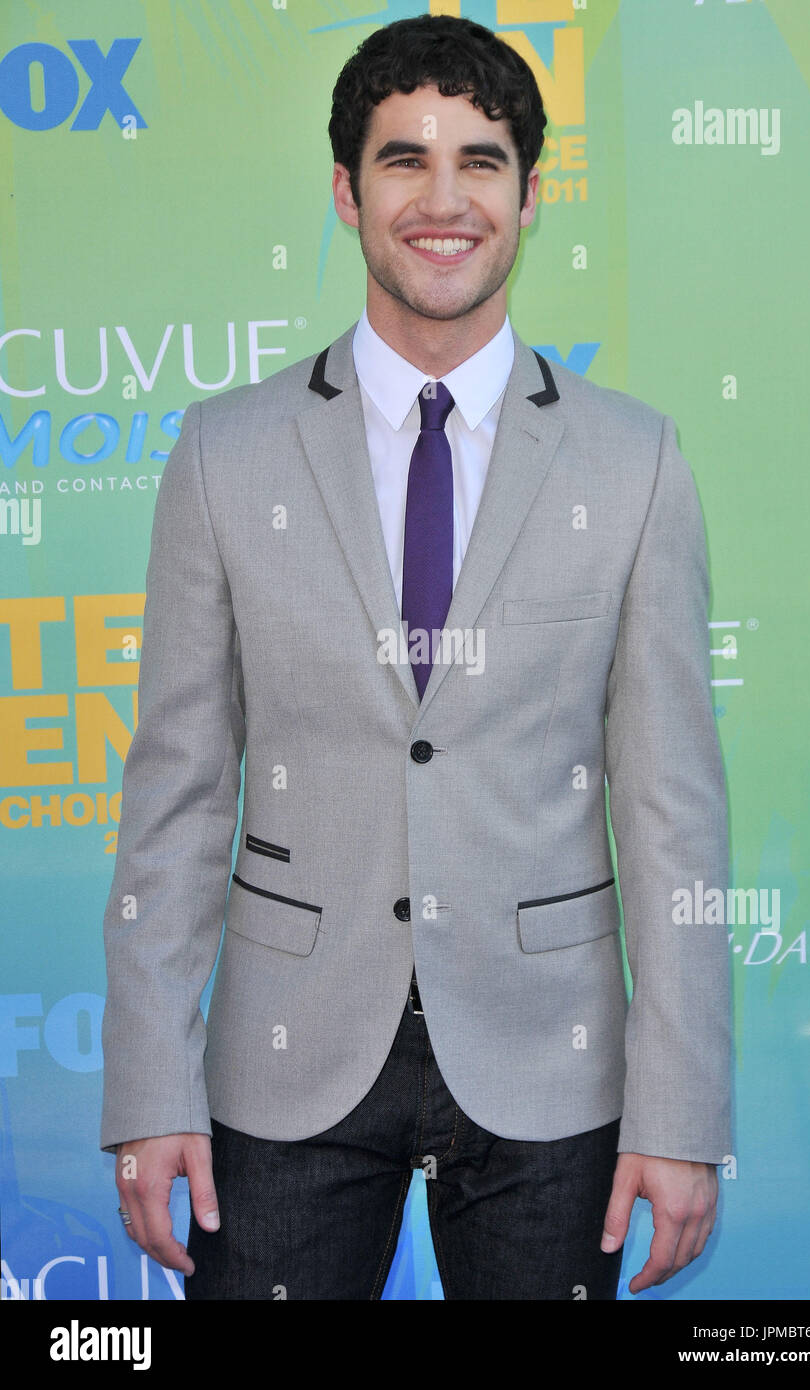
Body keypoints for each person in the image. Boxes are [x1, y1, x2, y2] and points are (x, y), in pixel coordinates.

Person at [101, 13, 732, 1301]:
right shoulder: (225, 457)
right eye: (404, 159)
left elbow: (673, 815)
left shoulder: (636, 463)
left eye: (481, 161)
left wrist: (679, 1114)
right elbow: (173, 800)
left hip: (553, 1071)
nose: (444, 201)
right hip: (286, 1074)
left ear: (531, 194)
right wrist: (148, 1084)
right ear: (346, 192)